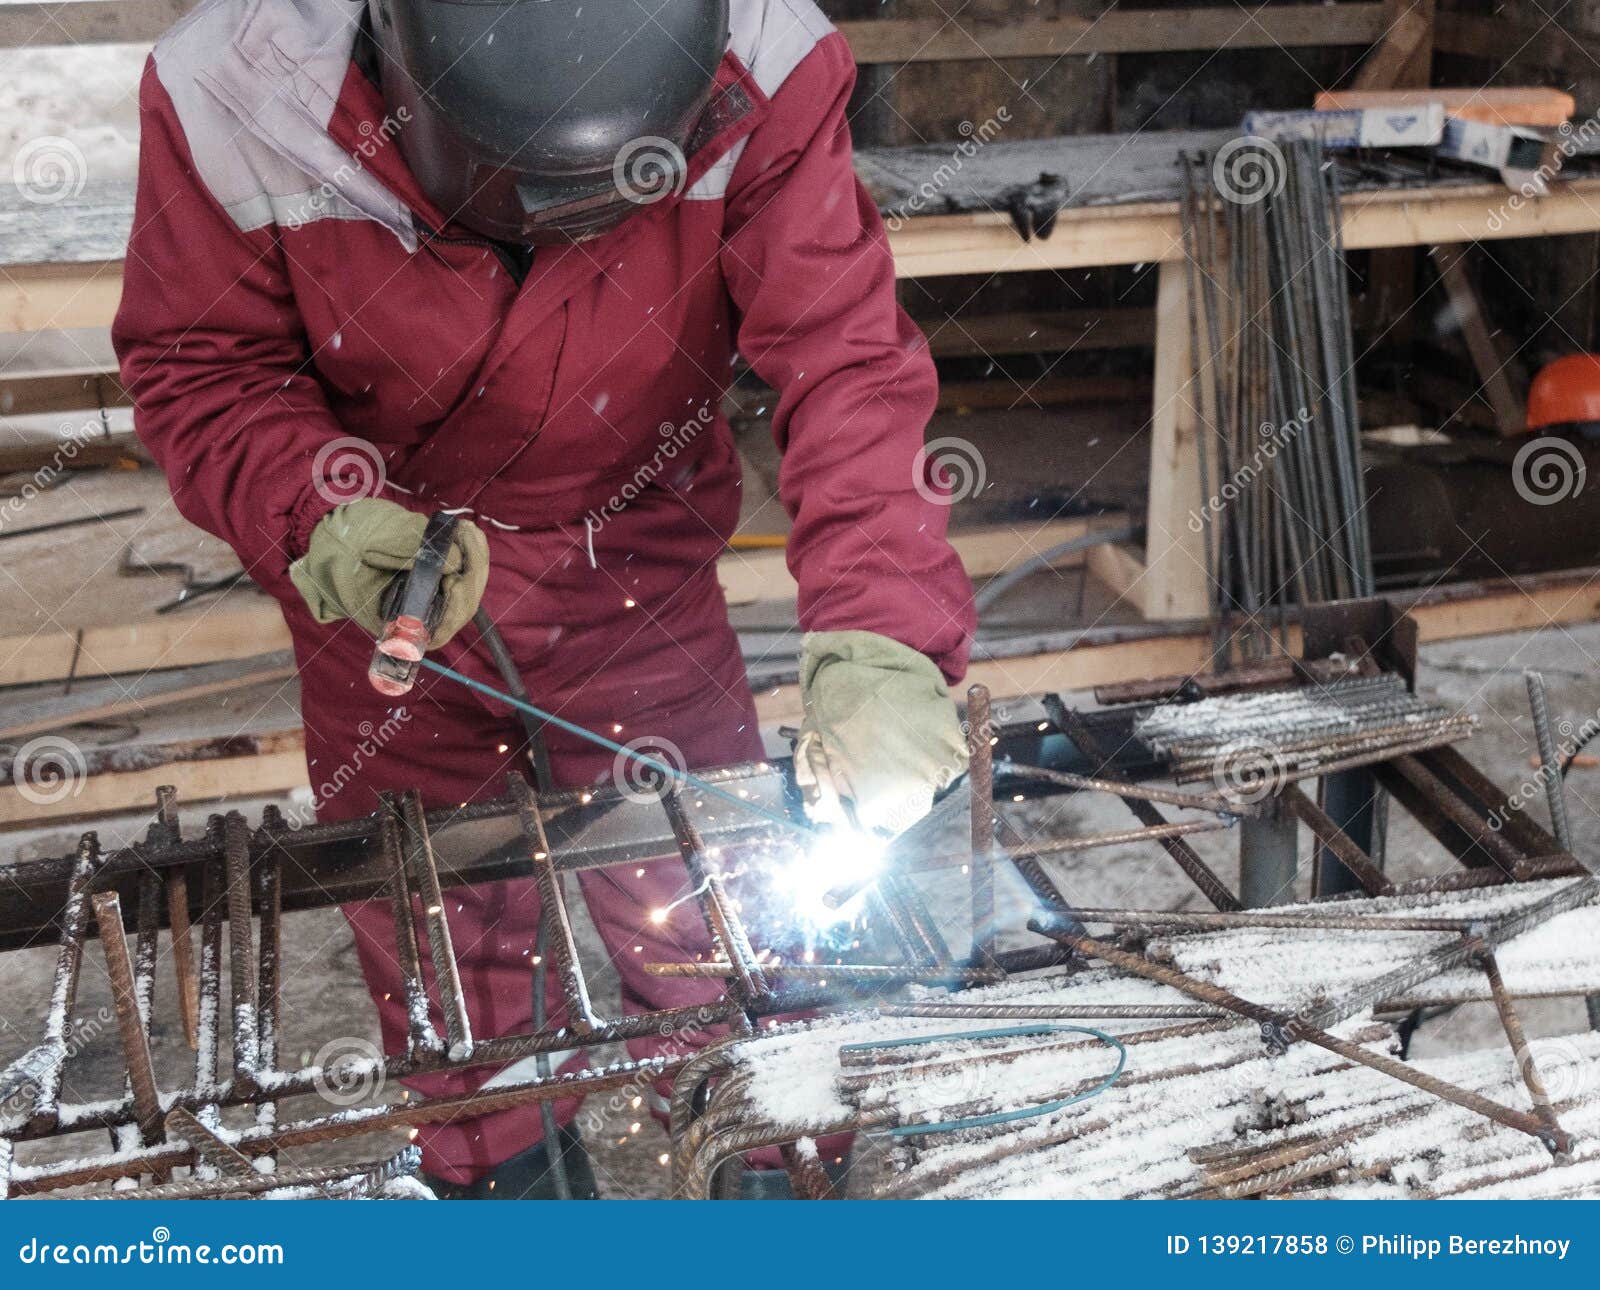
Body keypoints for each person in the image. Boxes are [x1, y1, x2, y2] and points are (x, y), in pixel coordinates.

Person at [113, 0, 975, 1196]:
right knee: (447, 962)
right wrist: (326, 514)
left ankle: (768, 1171)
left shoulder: (768, 52)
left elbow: (843, 358)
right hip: (392, 598)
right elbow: (203, 365)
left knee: (719, 926)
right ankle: (504, 1198)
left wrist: (883, 630)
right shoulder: (231, 84)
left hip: (636, 573)